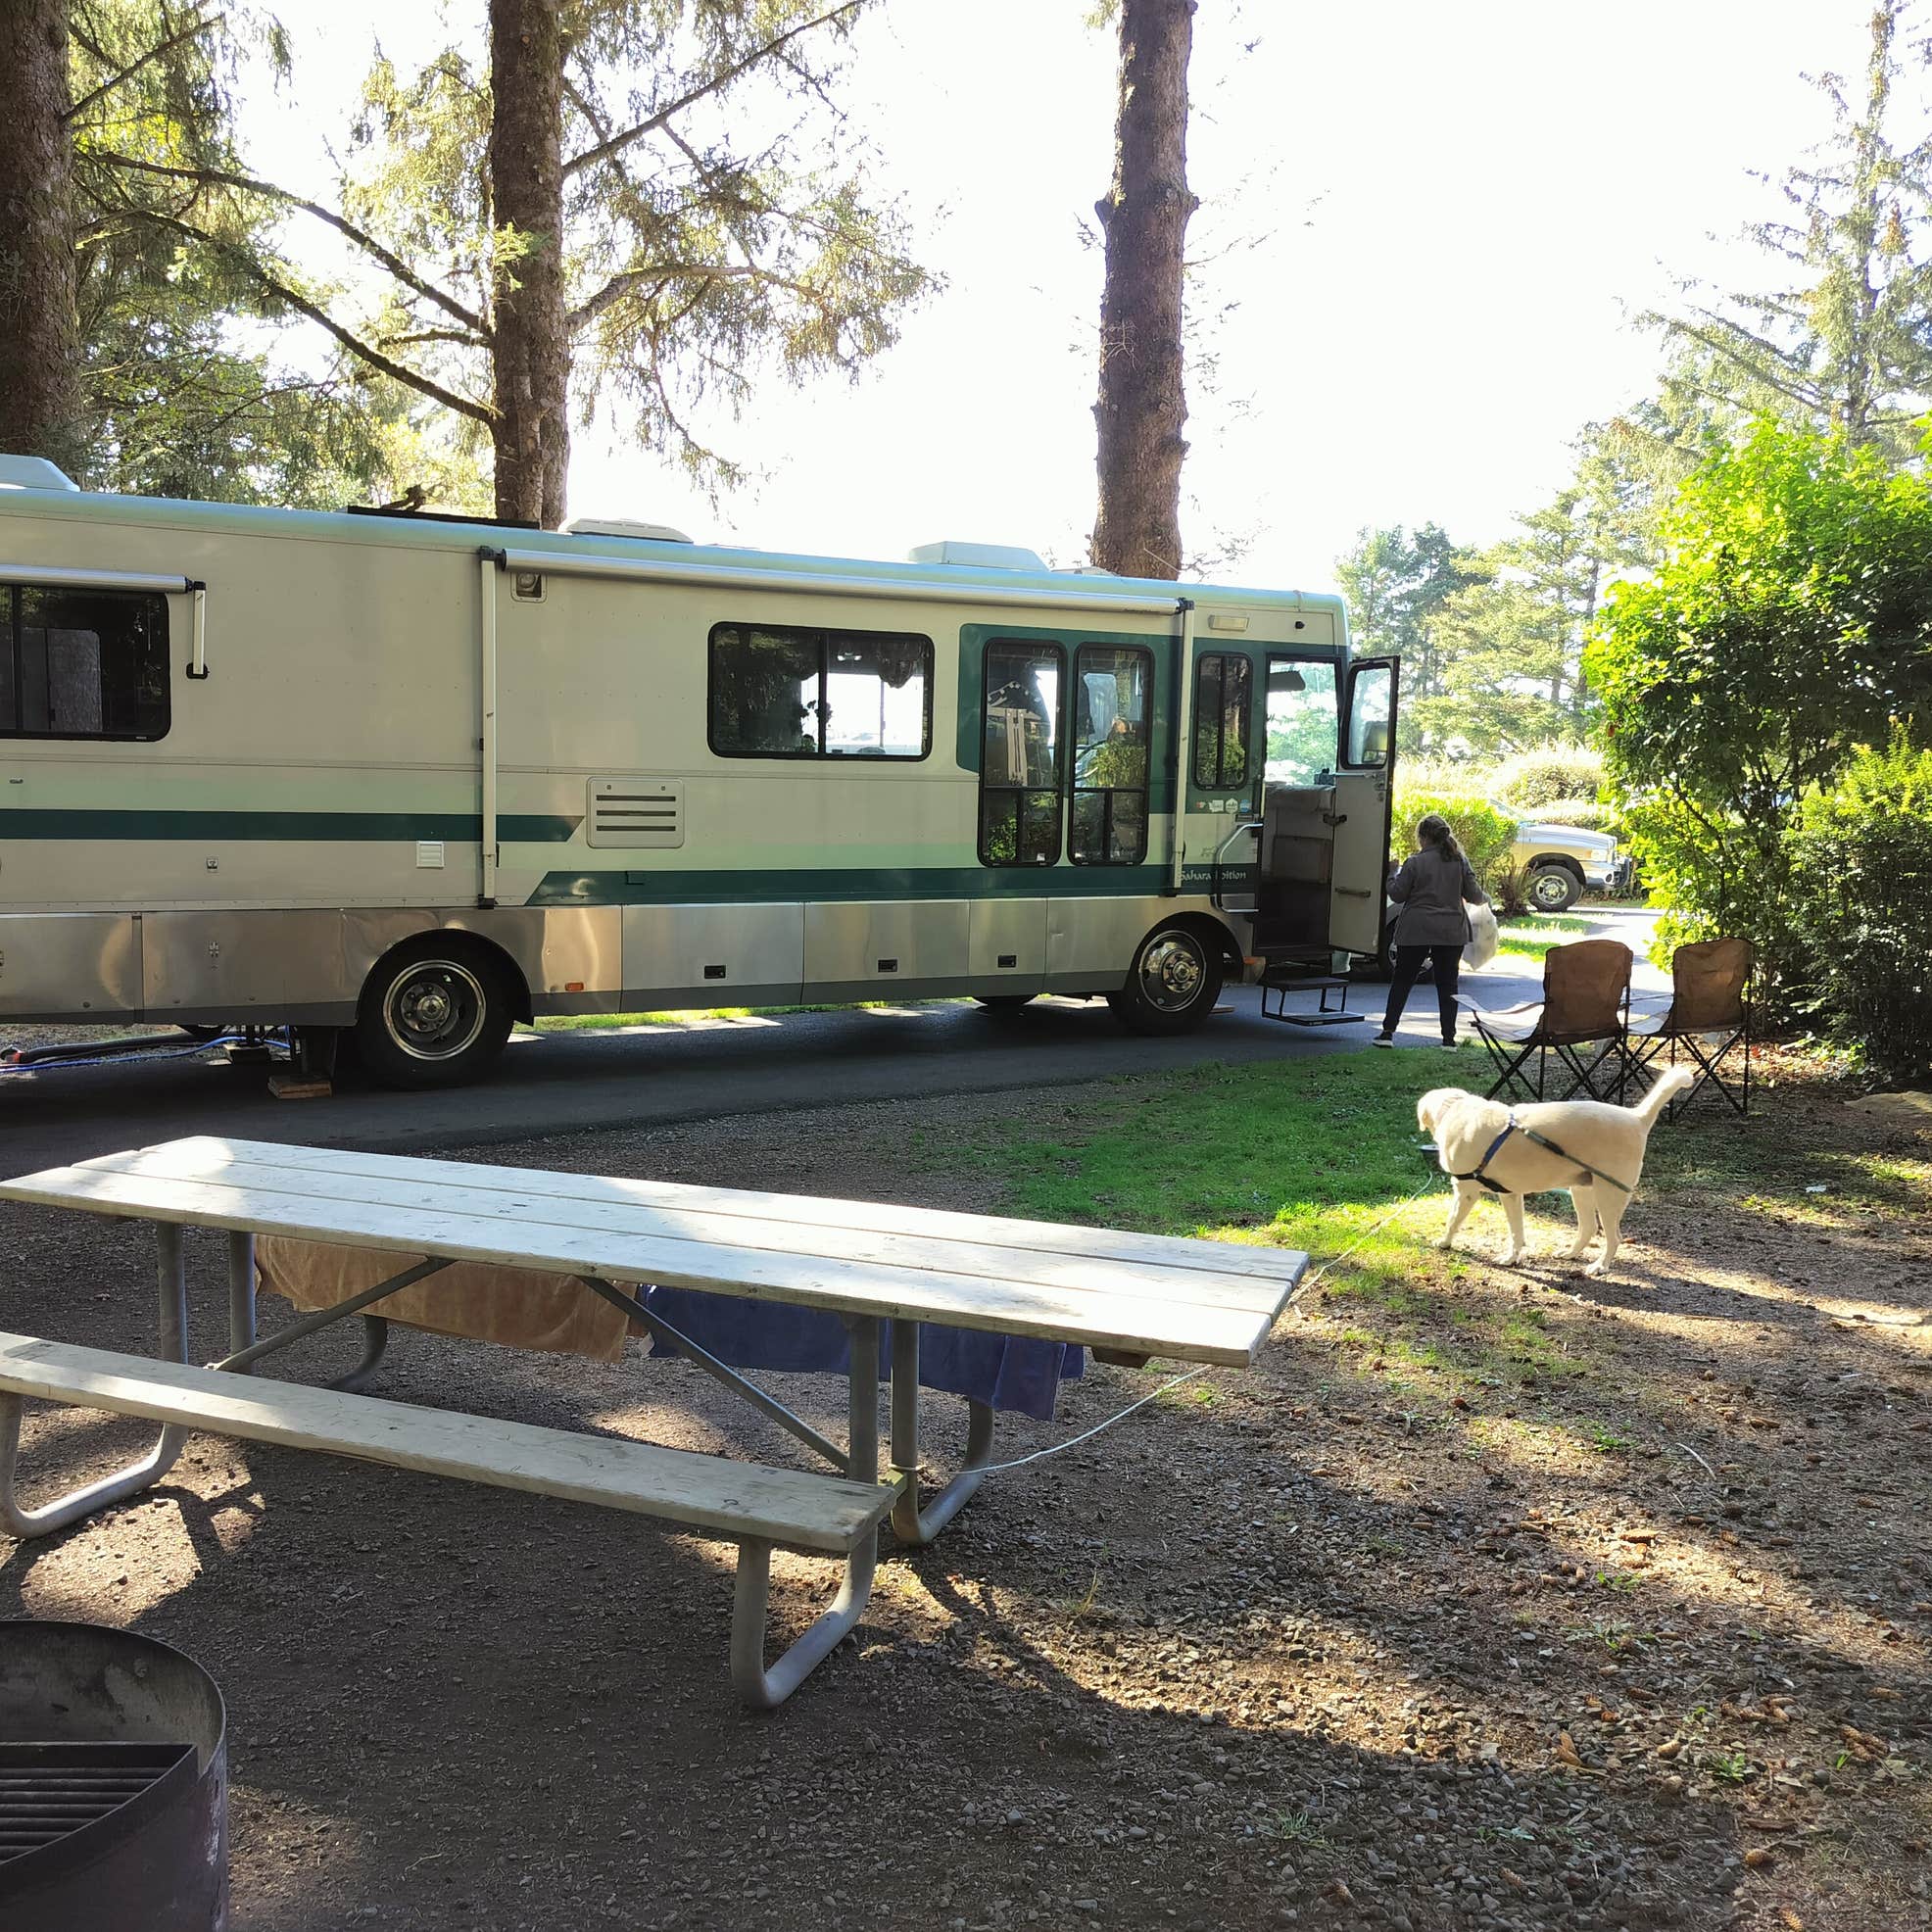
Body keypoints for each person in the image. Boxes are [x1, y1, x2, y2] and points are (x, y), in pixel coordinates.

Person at [1373, 814, 1488, 1048]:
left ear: (1423, 837)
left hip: (1417, 929)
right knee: (1448, 984)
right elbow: (1475, 896)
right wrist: (1487, 899)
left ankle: (1387, 1032)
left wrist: (1391, 874)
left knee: (1403, 980)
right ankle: (1448, 1038)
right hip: (1450, 931)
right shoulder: (1460, 862)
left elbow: (1397, 894)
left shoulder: (1415, 862)